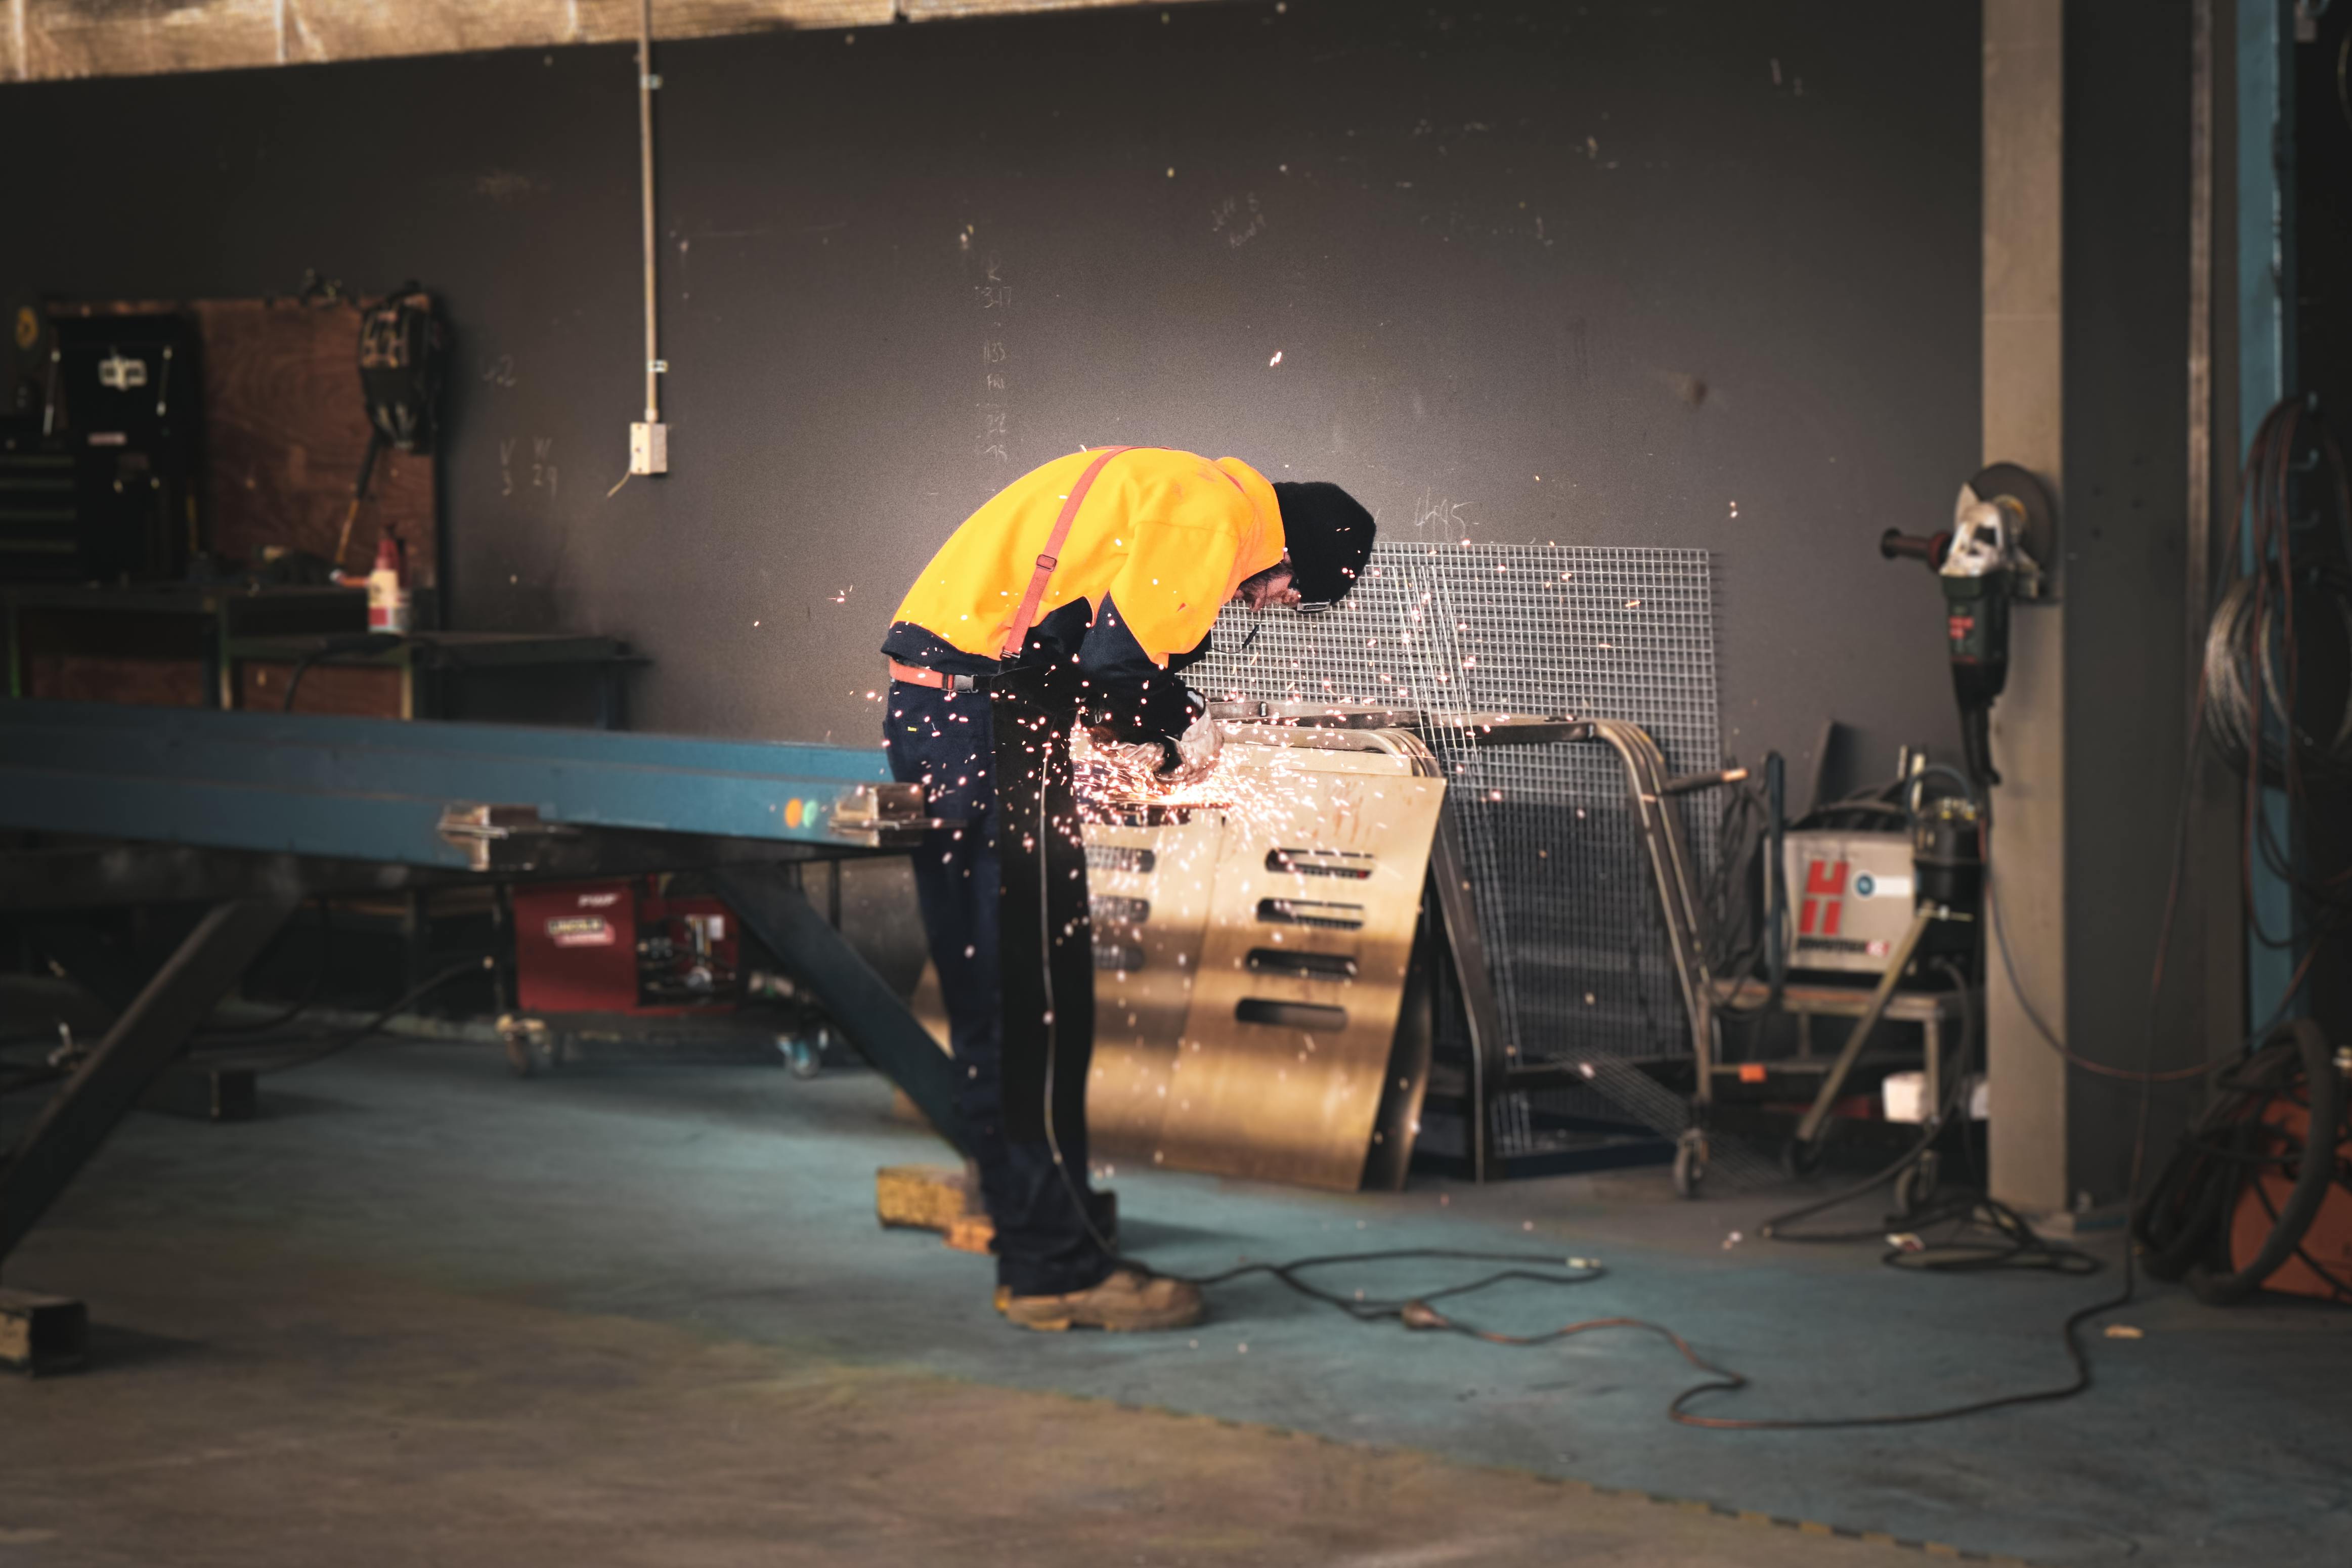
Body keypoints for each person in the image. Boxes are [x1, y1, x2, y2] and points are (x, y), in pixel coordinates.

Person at [881, 446, 1375, 1332]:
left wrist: (1130, 731)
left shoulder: (1170, 485)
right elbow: (1118, 664)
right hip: (988, 732)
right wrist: (1188, 725)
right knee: (1035, 1010)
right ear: (1293, 553)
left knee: (1001, 1001)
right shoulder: (1216, 518)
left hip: (951, 715)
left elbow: (1082, 646)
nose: (1268, 604)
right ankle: (1054, 1273)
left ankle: (1030, 1219)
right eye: (1292, 594)